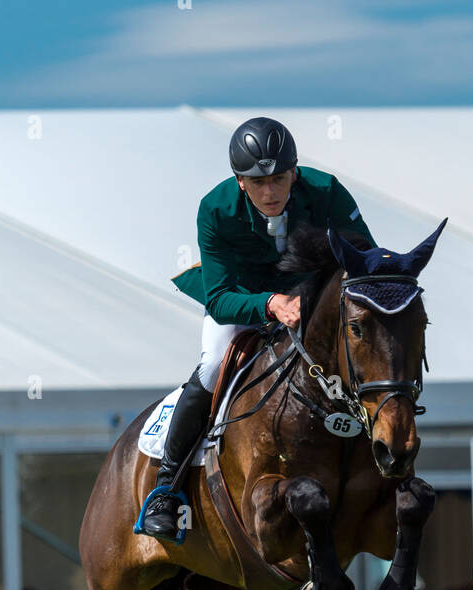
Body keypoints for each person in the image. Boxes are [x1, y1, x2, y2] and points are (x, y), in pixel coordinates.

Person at [138, 116, 375, 539]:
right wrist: (269, 303)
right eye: (257, 181)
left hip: (311, 300)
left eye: (279, 179)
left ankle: (383, 456)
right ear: (240, 181)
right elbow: (219, 297)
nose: (270, 192)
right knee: (212, 365)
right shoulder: (216, 208)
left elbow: (364, 260)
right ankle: (166, 489)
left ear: (295, 172)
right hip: (243, 301)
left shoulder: (326, 192)